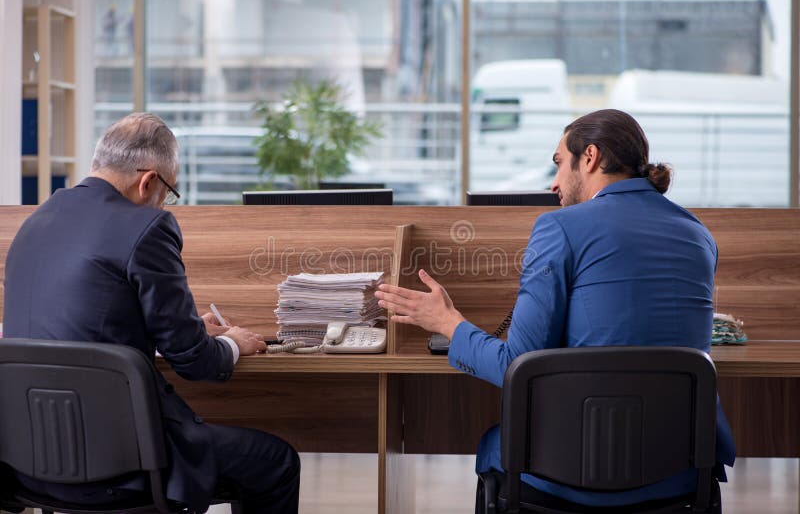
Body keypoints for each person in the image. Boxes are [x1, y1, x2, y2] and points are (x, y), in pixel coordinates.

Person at [375, 109, 735, 508]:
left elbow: (516, 365)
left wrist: (447, 321)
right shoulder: (698, 235)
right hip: (677, 470)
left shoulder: (560, 227)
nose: (554, 183)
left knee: (495, 443)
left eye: (560, 164)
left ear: (591, 157)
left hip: (567, 469)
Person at [3, 113, 300, 514]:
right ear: (148, 181)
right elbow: (193, 361)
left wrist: (191, 328)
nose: (165, 202)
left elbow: (90, 324)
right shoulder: (147, 225)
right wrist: (231, 343)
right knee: (276, 462)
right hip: (122, 466)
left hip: (30, 462)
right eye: (169, 191)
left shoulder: (35, 222)